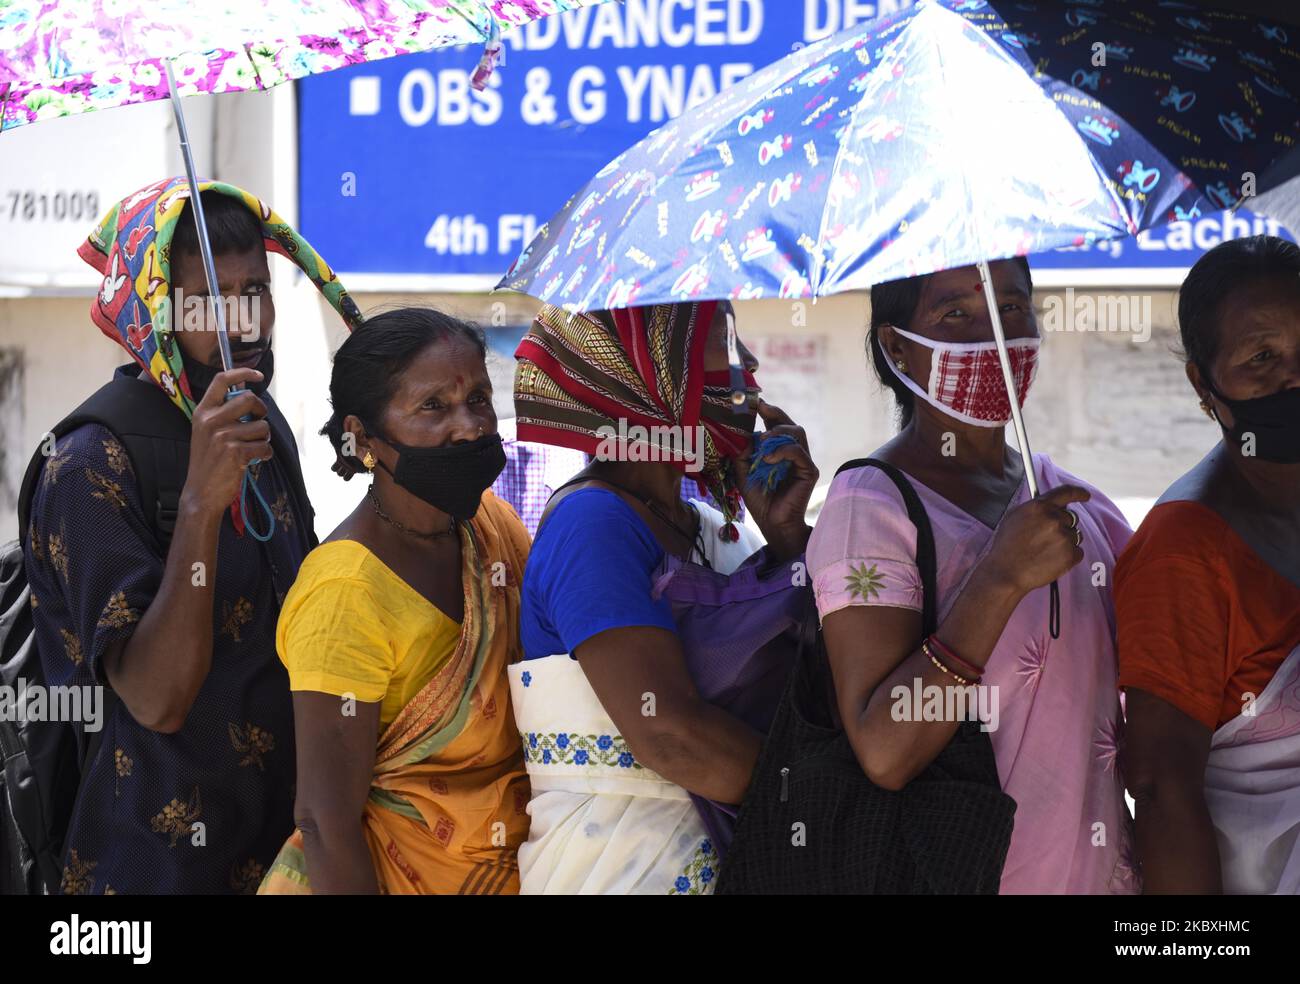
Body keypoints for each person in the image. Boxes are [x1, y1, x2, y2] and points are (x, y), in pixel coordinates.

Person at [22, 177, 361, 894]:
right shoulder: (87, 465)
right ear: (153, 312)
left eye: (256, 289)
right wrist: (202, 505)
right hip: (146, 874)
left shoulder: (257, 421)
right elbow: (156, 699)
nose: (244, 321)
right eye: (207, 298)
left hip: (283, 859)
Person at [806, 258, 1139, 894]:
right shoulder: (869, 510)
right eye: (955, 314)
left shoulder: (1079, 506)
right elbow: (884, 750)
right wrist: (999, 581)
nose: (992, 334)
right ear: (898, 347)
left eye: (1013, 309)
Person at [509, 299, 818, 894]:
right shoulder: (593, 523)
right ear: (653, 377)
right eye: (724, 344)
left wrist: (785, 536)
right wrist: (828, 797)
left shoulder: (704, 522)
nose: (748, 364)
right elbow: (669, 734)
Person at [259, 308, 531, 895]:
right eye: (433, 407)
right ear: (364, 436)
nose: (468, 426)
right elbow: (326, 823)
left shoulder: (492, 528)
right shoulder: (345, 592)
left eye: (478, 398)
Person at [1118, 235, 1300, 895]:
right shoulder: (1185, 546)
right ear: (1204, 382)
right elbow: (1161, 788)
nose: (1294, 378)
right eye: (1261, 356)